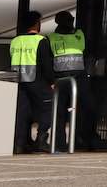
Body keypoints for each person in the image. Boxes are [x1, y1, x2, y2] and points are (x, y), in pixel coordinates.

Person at [9, 11, 54, 153]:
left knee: (22, 113)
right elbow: (46, 64)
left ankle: (19, 144)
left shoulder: (15, 41)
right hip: (37, 81)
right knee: (48, 108)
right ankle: (41, 140)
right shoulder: (41, 40)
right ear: (37, 24)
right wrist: (51, 81)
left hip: (19, 81)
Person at [46, 12, 88, 150]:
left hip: (77, 79)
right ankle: (60, 143)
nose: (71, 22)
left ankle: (77, 141)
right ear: (59, 22)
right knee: (60, 113)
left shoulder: (79, 34)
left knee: (79, 111)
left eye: (71, 20)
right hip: (61, 80)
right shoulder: (51, 38)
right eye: (68, 20)